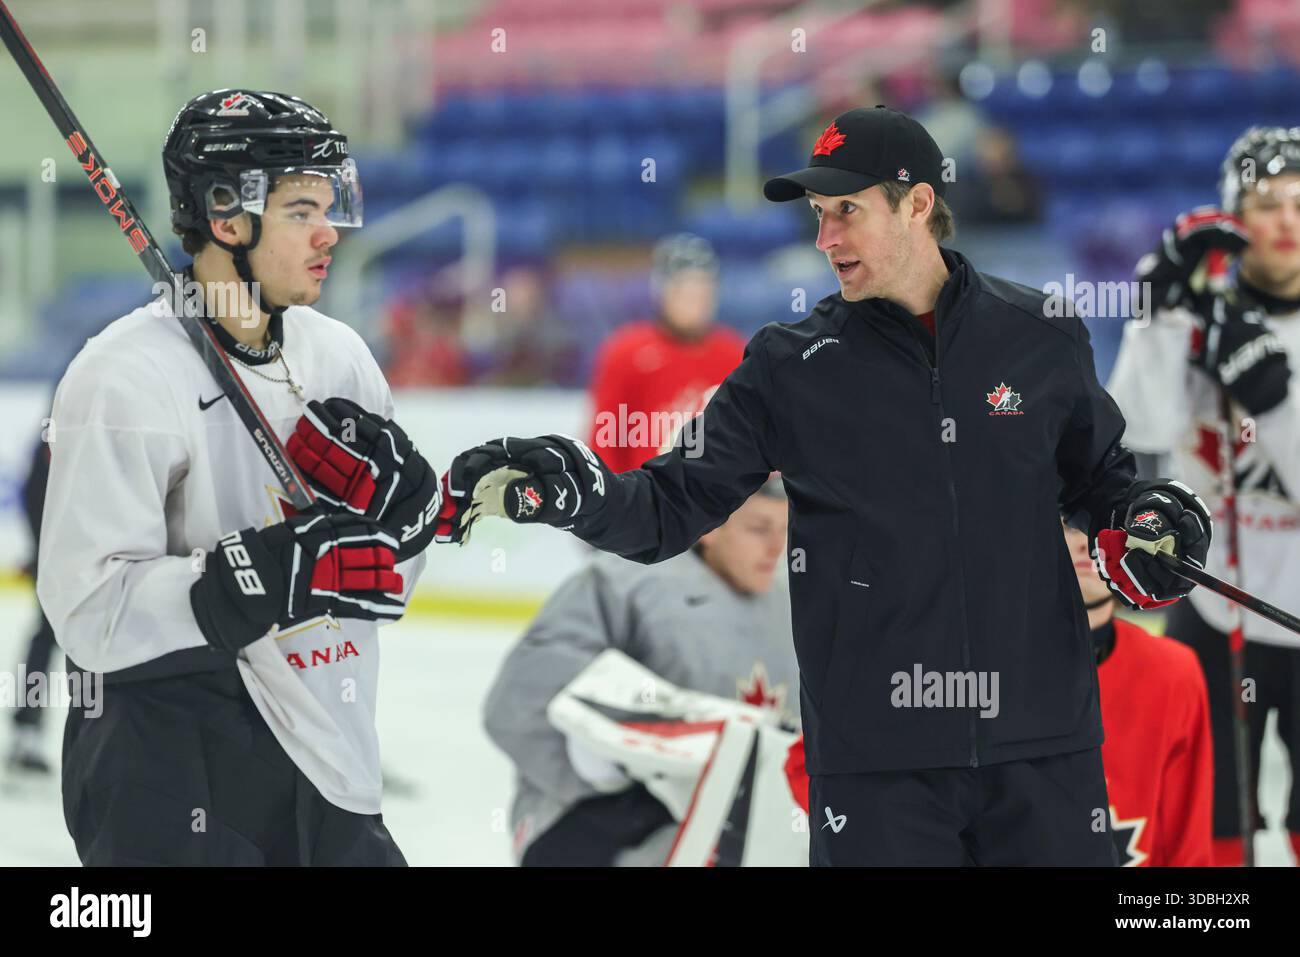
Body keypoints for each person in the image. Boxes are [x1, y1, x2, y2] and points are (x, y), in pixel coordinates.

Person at [436, 106, 1217, 866]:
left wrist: (1151, 518)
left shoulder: (1041, 334)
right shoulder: (787, 367)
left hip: (1044, 749)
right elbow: (670, 505)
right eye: (818, 213)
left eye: (846, 209)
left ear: (918, 205)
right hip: (875, 772)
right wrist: (586, 495)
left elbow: (1106, 486)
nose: (825, 237)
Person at [38, 89, 441, 865]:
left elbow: (382, 581)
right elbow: (85, 610)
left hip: (327, 748)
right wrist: (250, 578)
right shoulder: (122, 376)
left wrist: (406, 523)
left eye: (331, 204)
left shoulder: (341, 357)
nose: (331, 232)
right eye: (300, 210)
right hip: (168, 760)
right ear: (227, 218)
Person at [1108, 125, 1300, 866]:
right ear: (1233, 217)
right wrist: (1155, 312)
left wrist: (1273, 401)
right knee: (1210, 816)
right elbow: (1137, 429)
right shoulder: (1204, 315)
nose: (1284, 220)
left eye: (1297, 202)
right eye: (1264, 202)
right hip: (1218, 606)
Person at [482, 476, 795, 866]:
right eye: (758, 529)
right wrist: (606, 766)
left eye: (785, 529)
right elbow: (518, 700)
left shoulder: (792, 603)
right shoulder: (623, 582)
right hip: (597, 821)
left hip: (732, 826)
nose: (776, 548)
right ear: (710, 528)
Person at [587, 234, 745, 473]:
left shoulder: (735, 354)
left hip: (717, 502)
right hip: (645, 497)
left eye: (703, 289)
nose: (695, 301)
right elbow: (604, 444)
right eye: (684, 289)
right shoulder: (626, 352)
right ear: (662, 292)